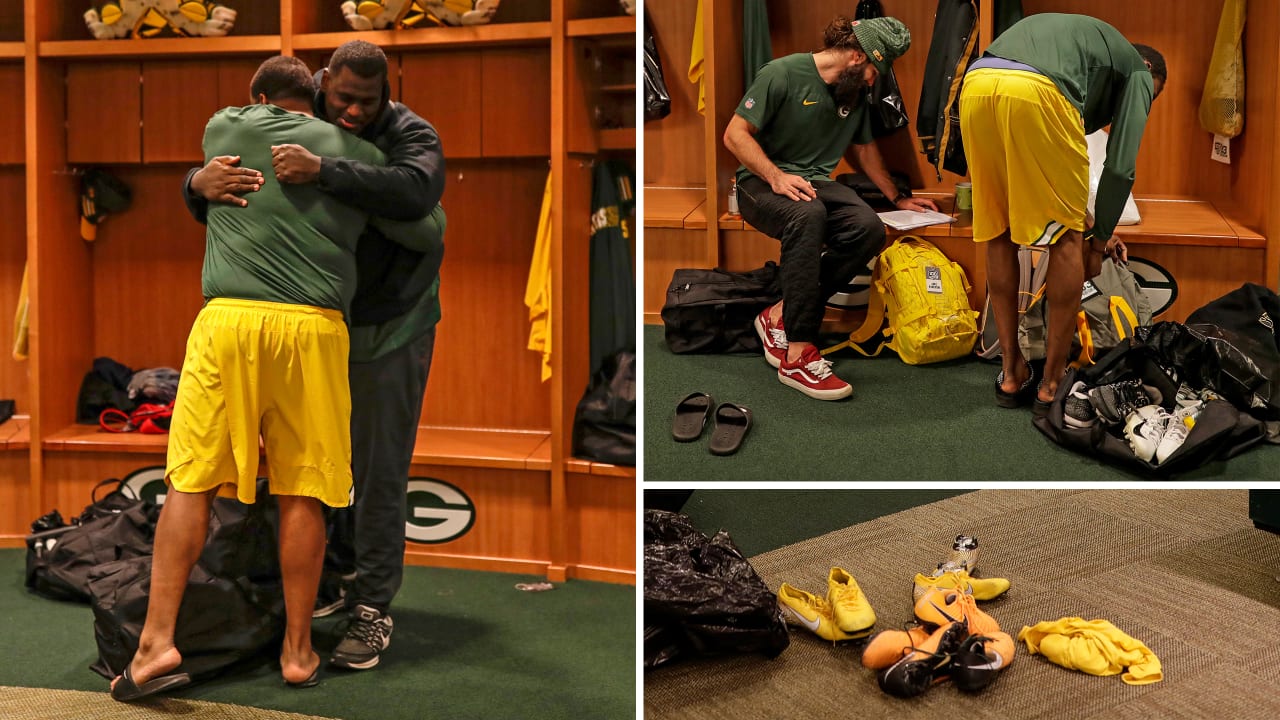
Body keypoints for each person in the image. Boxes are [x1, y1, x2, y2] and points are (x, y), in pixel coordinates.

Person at [111, 56, 442, 702]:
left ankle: (155, 646)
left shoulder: (225, 127)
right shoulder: (356, 147)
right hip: (316, 331)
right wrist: (341, 187)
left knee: (190, 479)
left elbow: (212, 177)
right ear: (316, 93)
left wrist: (205, 183)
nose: (348, 111)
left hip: (236, 324)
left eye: (360, 102)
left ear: (259, 96)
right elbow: (430, 224)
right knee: (305, 490)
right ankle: (297, 652)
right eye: (336, 99)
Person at [724, 15, 938, 401]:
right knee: (809, 216)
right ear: (857, 56)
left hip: (815, 182)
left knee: (868, 228)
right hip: (760, 183)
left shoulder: (851, 91)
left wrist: (897, 198)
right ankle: (798, 352)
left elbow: (864, 148)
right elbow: (734, 134)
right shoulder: (781, 73)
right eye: (876, 68)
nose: (875, 79)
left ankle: (781, 313)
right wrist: (775, 176)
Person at [960, 13, 1165, 413]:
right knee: (1067, 241)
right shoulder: (1139, 74)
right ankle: (1052, 383)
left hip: (977, 83)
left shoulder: (1088, 53)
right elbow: (1120, 167)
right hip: (1040, 90)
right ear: (1148, 72)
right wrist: (1097, 240)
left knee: (999, 230)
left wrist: (1090, 221)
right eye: (1150, 101)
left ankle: (1011, 373)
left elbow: (1051, 182)